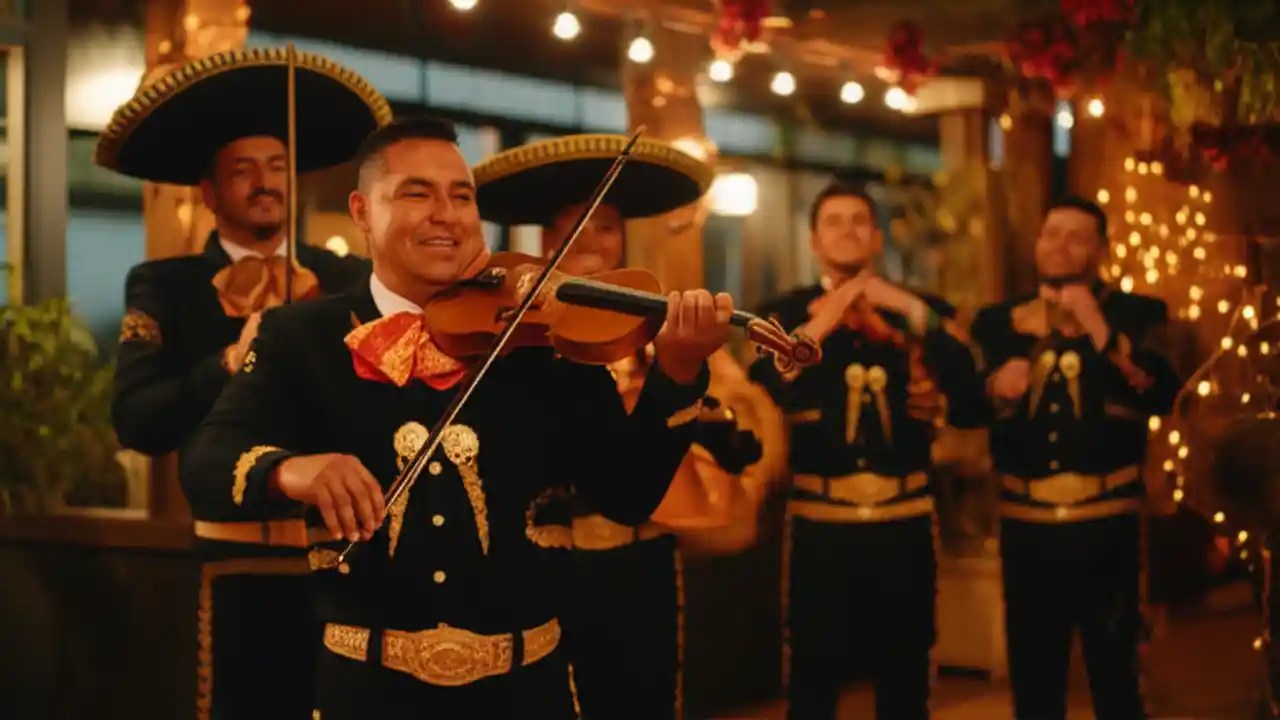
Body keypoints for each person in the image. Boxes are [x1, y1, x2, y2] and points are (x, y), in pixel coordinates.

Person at [179, 115, 736, 718]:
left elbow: (626, 493)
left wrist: (676, 376)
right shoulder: (301, 336)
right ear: (363, 211)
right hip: (368, 691)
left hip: (528, 689)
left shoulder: (542, 340)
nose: (446, 214)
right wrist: (292, 471)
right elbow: (207, 460)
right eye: (417, 193)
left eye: (462, 196)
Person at [95, 46, 390, 720]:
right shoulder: (163, 286)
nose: (265, 182)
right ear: (209, 193)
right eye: (243, 170)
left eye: (278, 167)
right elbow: (137, 422)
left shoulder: (347, 281)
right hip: (232, 563)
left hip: (349, 563)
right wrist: (227, 362)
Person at [472, 133, 768, 719]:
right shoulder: (517, 332)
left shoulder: (656, 322)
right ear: (547, 234)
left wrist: (707, 414)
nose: (590, 238)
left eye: (606, 226)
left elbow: (735, 415)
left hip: (641, 559)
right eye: (575, 222)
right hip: (547, 559)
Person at [749, 182, 986, 719]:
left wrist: (909, 309)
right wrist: (825, 318)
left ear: (877, 238)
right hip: (819, 524)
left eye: (859, 221)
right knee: (813, 673)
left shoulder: (920, 312)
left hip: (904, 520)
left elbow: (972, 394)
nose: (847, 231)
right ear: (813, 240)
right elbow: (759, 390)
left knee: (906, 671)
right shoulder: (783, 313)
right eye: (833, 221)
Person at [971, 196, 1180, 720]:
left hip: (1108, 523)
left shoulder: (1139, 314)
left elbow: (1163, 393)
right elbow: (962, 407)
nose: (1059, 245)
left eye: (1076, 236)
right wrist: (996, 386)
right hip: (1026, 527)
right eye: (1051, 233)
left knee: (1116, 681)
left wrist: (1101, 330)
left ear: (1101, 250)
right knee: (1034, 681)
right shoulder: (997, 322)